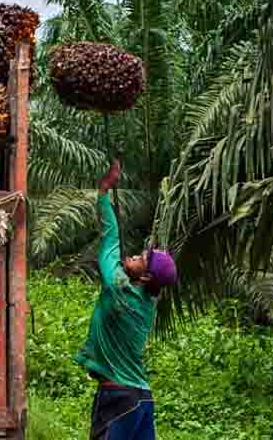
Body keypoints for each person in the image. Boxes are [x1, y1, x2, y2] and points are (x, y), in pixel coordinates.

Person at [75, 159, 178, 440]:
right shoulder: (147, 302)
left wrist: (104, 192)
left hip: (118, 398)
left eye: (141, 259)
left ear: (145, 279)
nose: (134, 256)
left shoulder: (119, 288)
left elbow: (110, 238)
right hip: (142, 399)